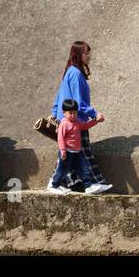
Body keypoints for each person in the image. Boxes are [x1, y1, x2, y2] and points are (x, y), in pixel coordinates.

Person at [48, 41, 113, 194]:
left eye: (89, 52)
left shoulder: (70, 71)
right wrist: (94, 114)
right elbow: (79, 101)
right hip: (75, 120)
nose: (89, 56)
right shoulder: (76, 74)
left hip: (67, 119)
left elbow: (59, 94)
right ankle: (59, 183)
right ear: (78, 55)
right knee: (80, 154)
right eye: (86, 53)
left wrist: (55, 112)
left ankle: (66, 183)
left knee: (74, 155)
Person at [50, 98, 104, 194]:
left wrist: (95, 121)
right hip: (67, 151)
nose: (73, 115)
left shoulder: (77, 122)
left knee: (84, 168)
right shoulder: (64, 124)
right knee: (62, 169)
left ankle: (88, 186)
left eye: (75, 113)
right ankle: (54, 186)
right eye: (70, 113)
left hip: (77, 151)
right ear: (64, 113)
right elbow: (60, 138)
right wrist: (62, 151)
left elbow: (84, 126)